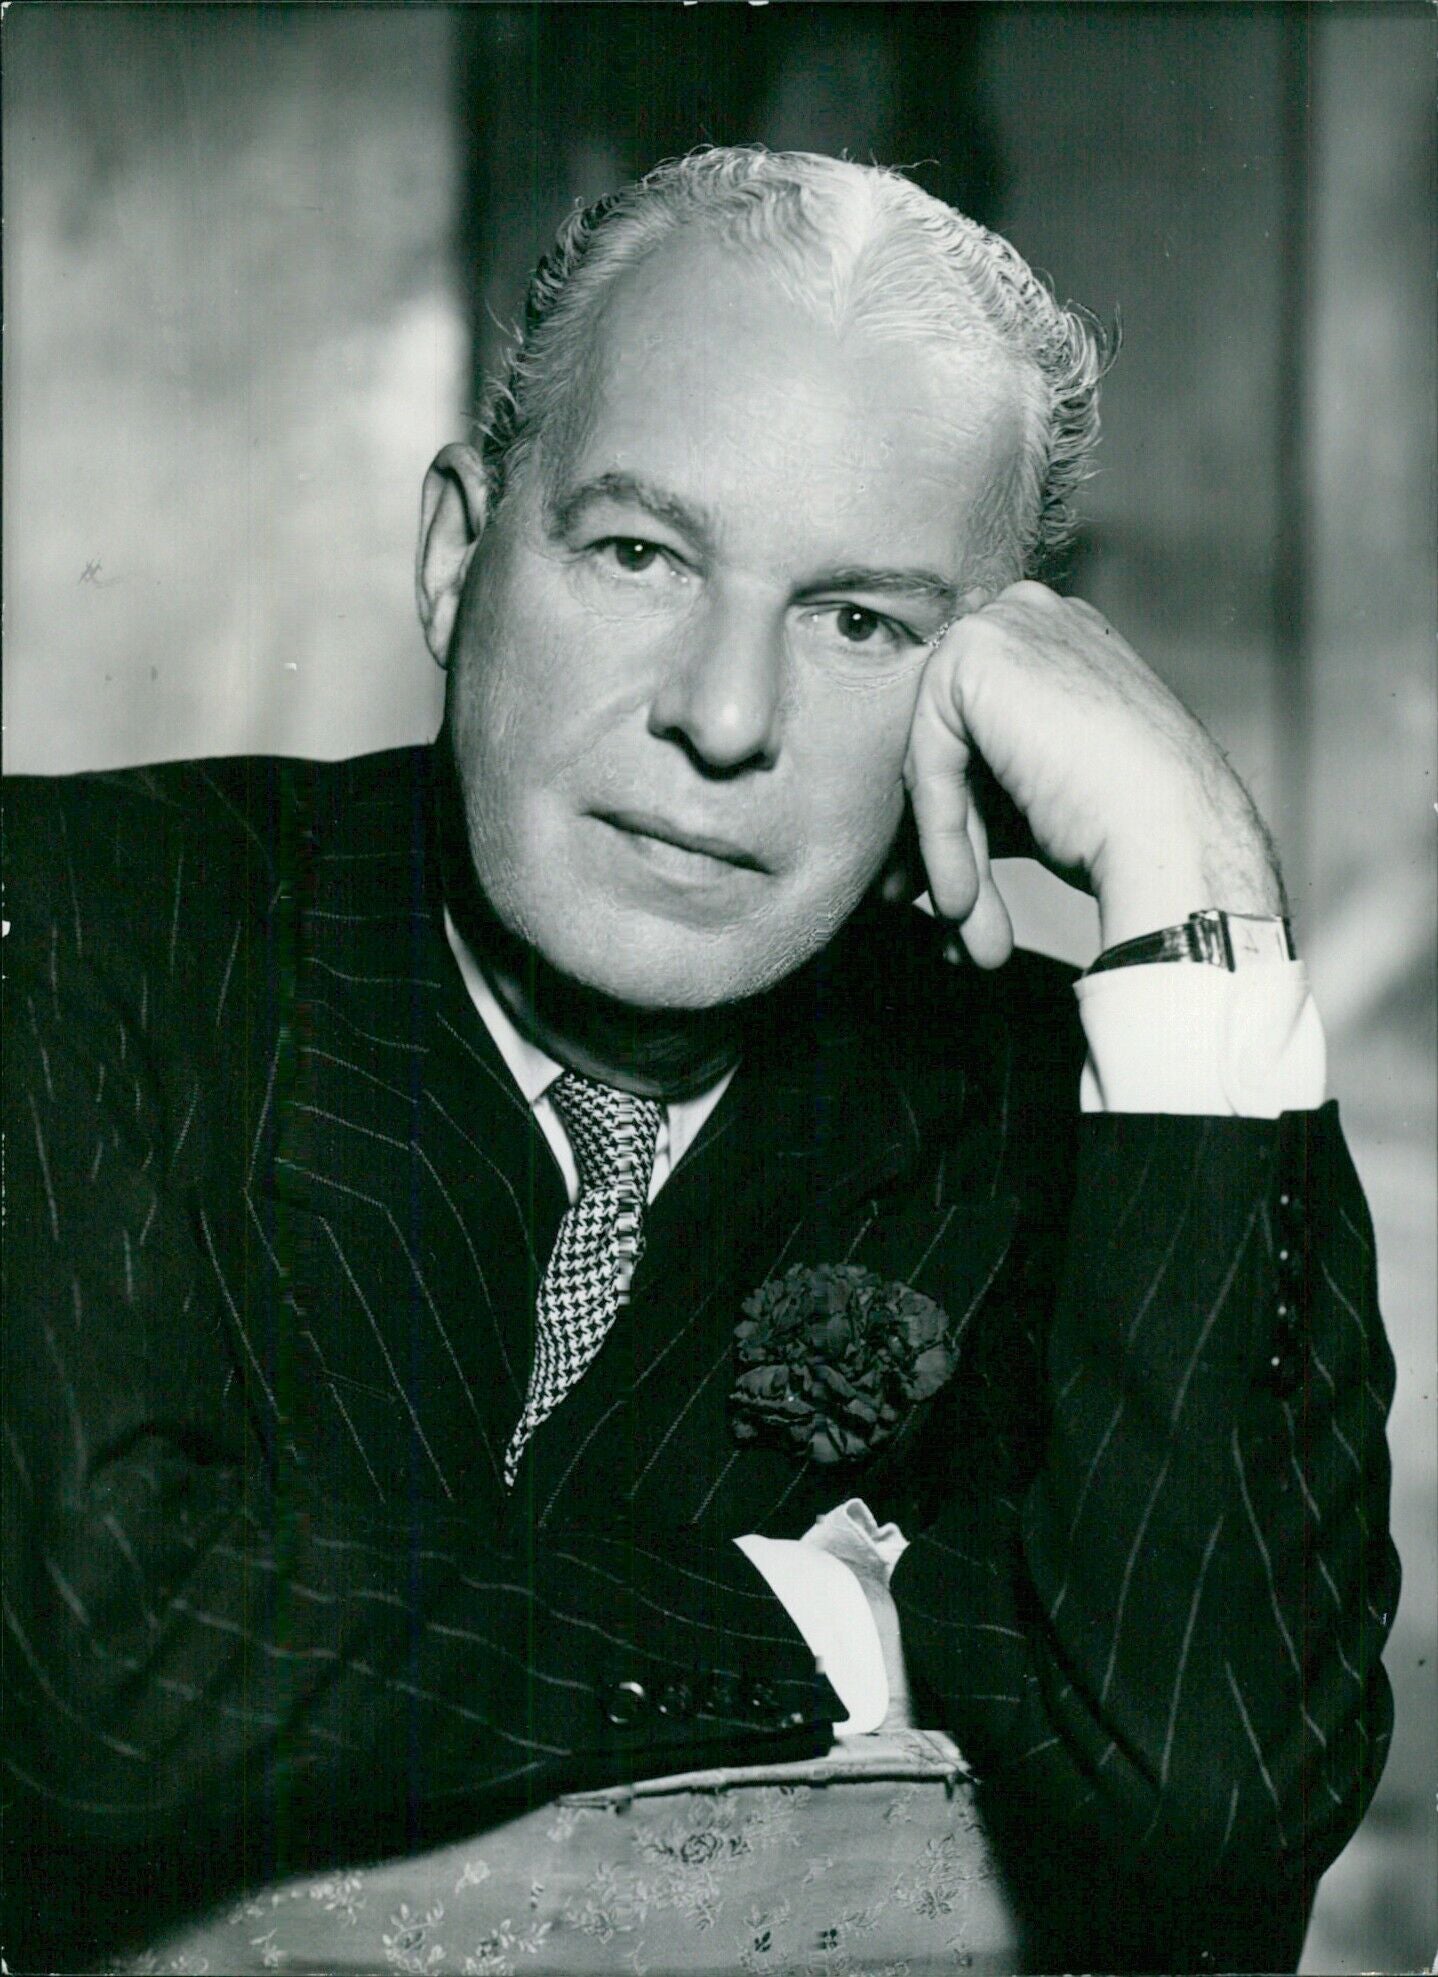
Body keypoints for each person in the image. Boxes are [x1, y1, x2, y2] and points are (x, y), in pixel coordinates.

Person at [2, 148, 1396, 1973]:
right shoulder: (78, 922)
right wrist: (836, 1625)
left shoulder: (1100, 1127)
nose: (721, 719)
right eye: (641, 552)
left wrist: (1188, 872)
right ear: (455, 556)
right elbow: (87, 1659)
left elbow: (1208, 1819)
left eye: (860, 622)